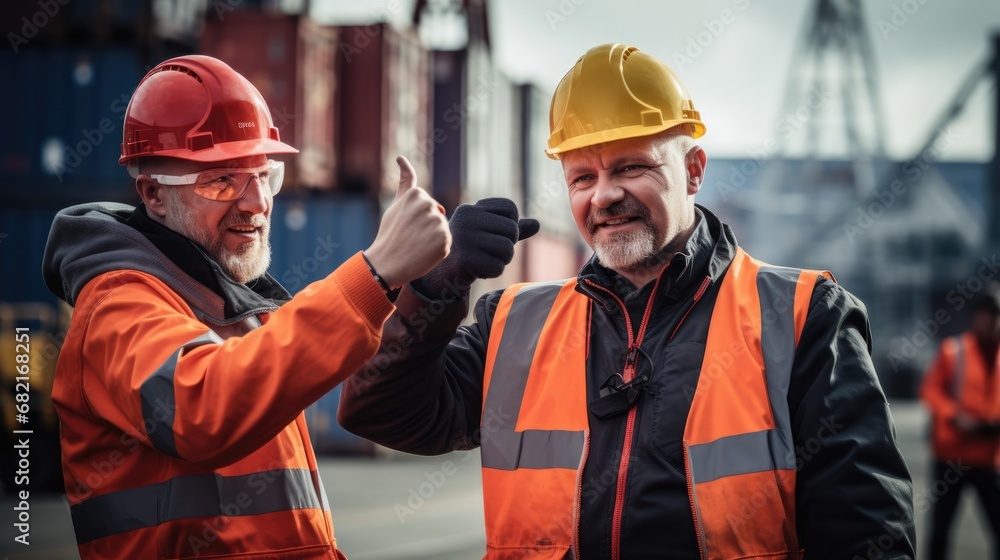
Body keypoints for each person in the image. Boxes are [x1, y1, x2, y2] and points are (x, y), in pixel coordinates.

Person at [338, 43, 916, 559]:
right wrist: (437, 288)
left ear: (693, 171)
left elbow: (866, 535)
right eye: (582, 177)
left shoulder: (804, 317)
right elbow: (378, 412)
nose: (605, 195)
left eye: (631, 167)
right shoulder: (514, 325)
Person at [41, 55, 450, 560]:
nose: (256, 202)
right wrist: (375, 271)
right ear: (153, 194)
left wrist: (435, 284)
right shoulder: (115, 309)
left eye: (265, 174)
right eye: (222, 180)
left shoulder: (237, 310)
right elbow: (202, 407)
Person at [921, 283, 1000, 560]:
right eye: (987, 313)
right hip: (952, 457)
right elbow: (930, 390)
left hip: (989, 457)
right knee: (941, 530)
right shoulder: (953, 351)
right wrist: (956, 417)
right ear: (976, 316)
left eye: (997, 314)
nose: (992, 320)